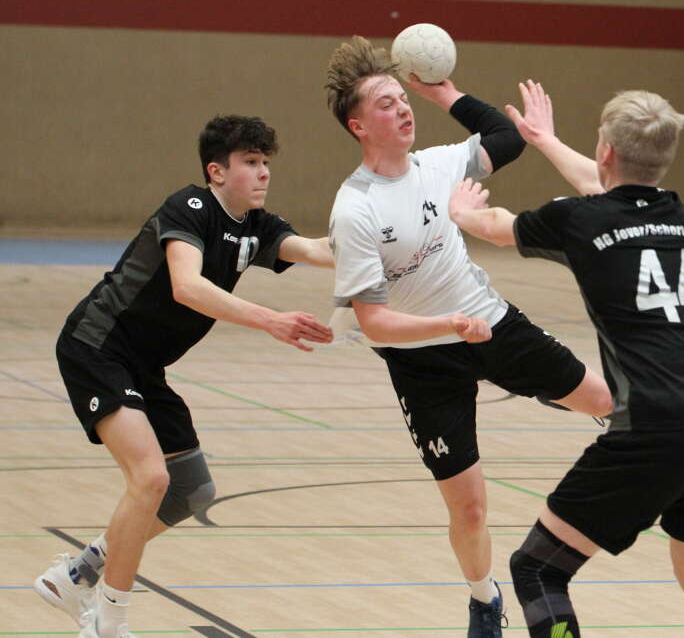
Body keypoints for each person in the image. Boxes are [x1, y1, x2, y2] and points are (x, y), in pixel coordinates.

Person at [448, 82, 684, 638]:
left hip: (656, 426)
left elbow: (497, 228)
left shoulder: (577, 220)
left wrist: (462, 209)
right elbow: (608, 190)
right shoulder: (676, 214)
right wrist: (544, 140)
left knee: (538, 569)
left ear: (606, 150)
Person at [322, 38, 613, 636]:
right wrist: (446, 326)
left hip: (493, 324)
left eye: (405, 99)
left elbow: (504, 137)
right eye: (386, 103)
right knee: (470, 507)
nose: (403, 109)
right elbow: (374, 322)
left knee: (608, 402)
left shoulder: (440, 162)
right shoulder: (355, 210)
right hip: (421, 361)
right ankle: (485, 600)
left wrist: (444, 92)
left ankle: (655, 468)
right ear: (358, 125)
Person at [36, 115, 336, 638]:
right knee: (151, 478)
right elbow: (187, 287)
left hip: (143, 366)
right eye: (250, 162)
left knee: (190, 489)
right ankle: (109, 621)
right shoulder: (190, 207)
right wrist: (271, 319)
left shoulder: (255, 226)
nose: (263, 173)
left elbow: (314, 249)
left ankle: (77, 574)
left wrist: (393, 243)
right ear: (216, 171)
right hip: (98, 347)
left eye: (266, 163)